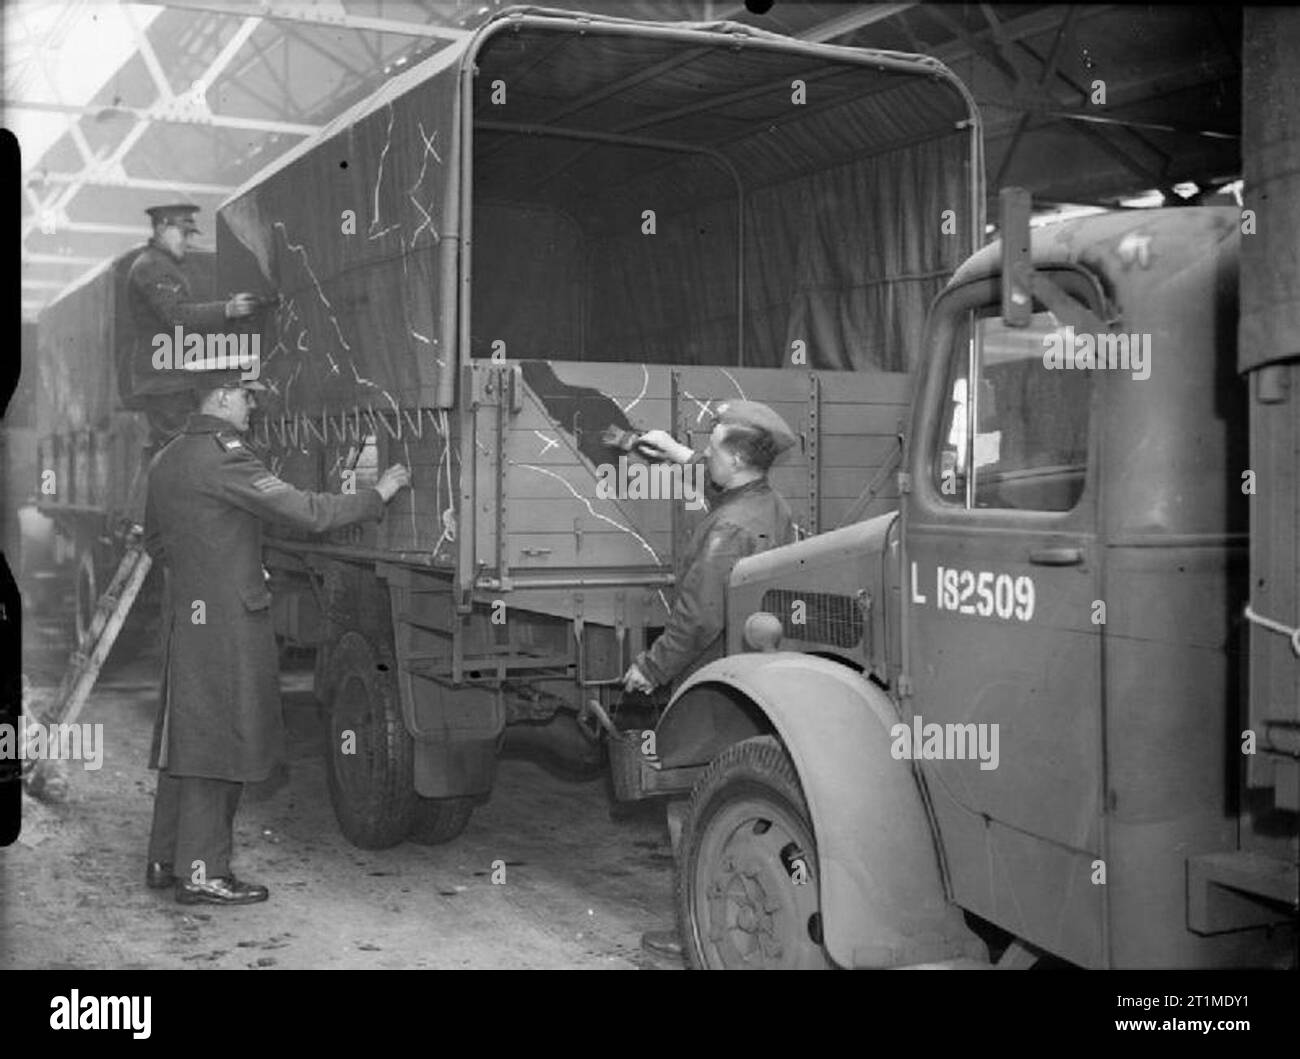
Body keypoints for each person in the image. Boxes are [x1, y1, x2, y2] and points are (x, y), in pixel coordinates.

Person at [142, 360, 411, 905]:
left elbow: (157, 544)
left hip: (189, 617)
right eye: (245, 396)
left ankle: (165, 858)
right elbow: (305, 512)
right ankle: (203, 873)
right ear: (218, 398)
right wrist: (376, 495)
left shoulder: (166, 459)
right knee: (220, 742)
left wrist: (222, 565)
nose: (254, 405)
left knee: (188, 736)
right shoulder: (225, 459)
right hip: (224, 625)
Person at [622, 400, 798, 695]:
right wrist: (677, 453)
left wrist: (652, 668)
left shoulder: (729, 530)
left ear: (738, 460)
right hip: (751, 665)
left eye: (712, 448)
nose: (705, 452)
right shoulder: (769, 503)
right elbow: (723, 488)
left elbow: (700, 617)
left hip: (716, 675)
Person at [126, 203, 264, 448]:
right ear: (161, 228)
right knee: (179, 449)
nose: (187, 241)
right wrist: (227, 309)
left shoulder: (161, 265)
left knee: (170, 448)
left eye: (190, 234)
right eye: (183, 232)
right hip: (165, 379)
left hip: (168, 376)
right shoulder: (153, 267)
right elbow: (177, 316)